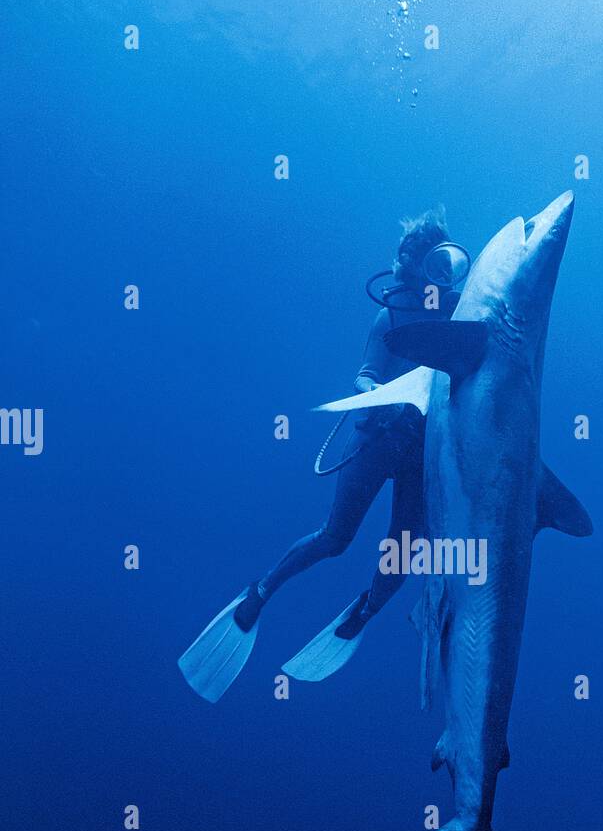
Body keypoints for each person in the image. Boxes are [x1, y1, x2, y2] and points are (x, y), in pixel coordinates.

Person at [178, 209, 466, 702]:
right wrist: (375, 396)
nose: (437, 273)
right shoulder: (390, 314)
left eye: (445, 263)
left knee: (401, 551)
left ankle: (365, 610)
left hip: (423, 453)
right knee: (336, 538)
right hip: (377, 438)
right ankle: (261, 592)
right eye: (427, 262)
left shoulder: (459, 316)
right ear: (411, 265)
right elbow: (366, 372)